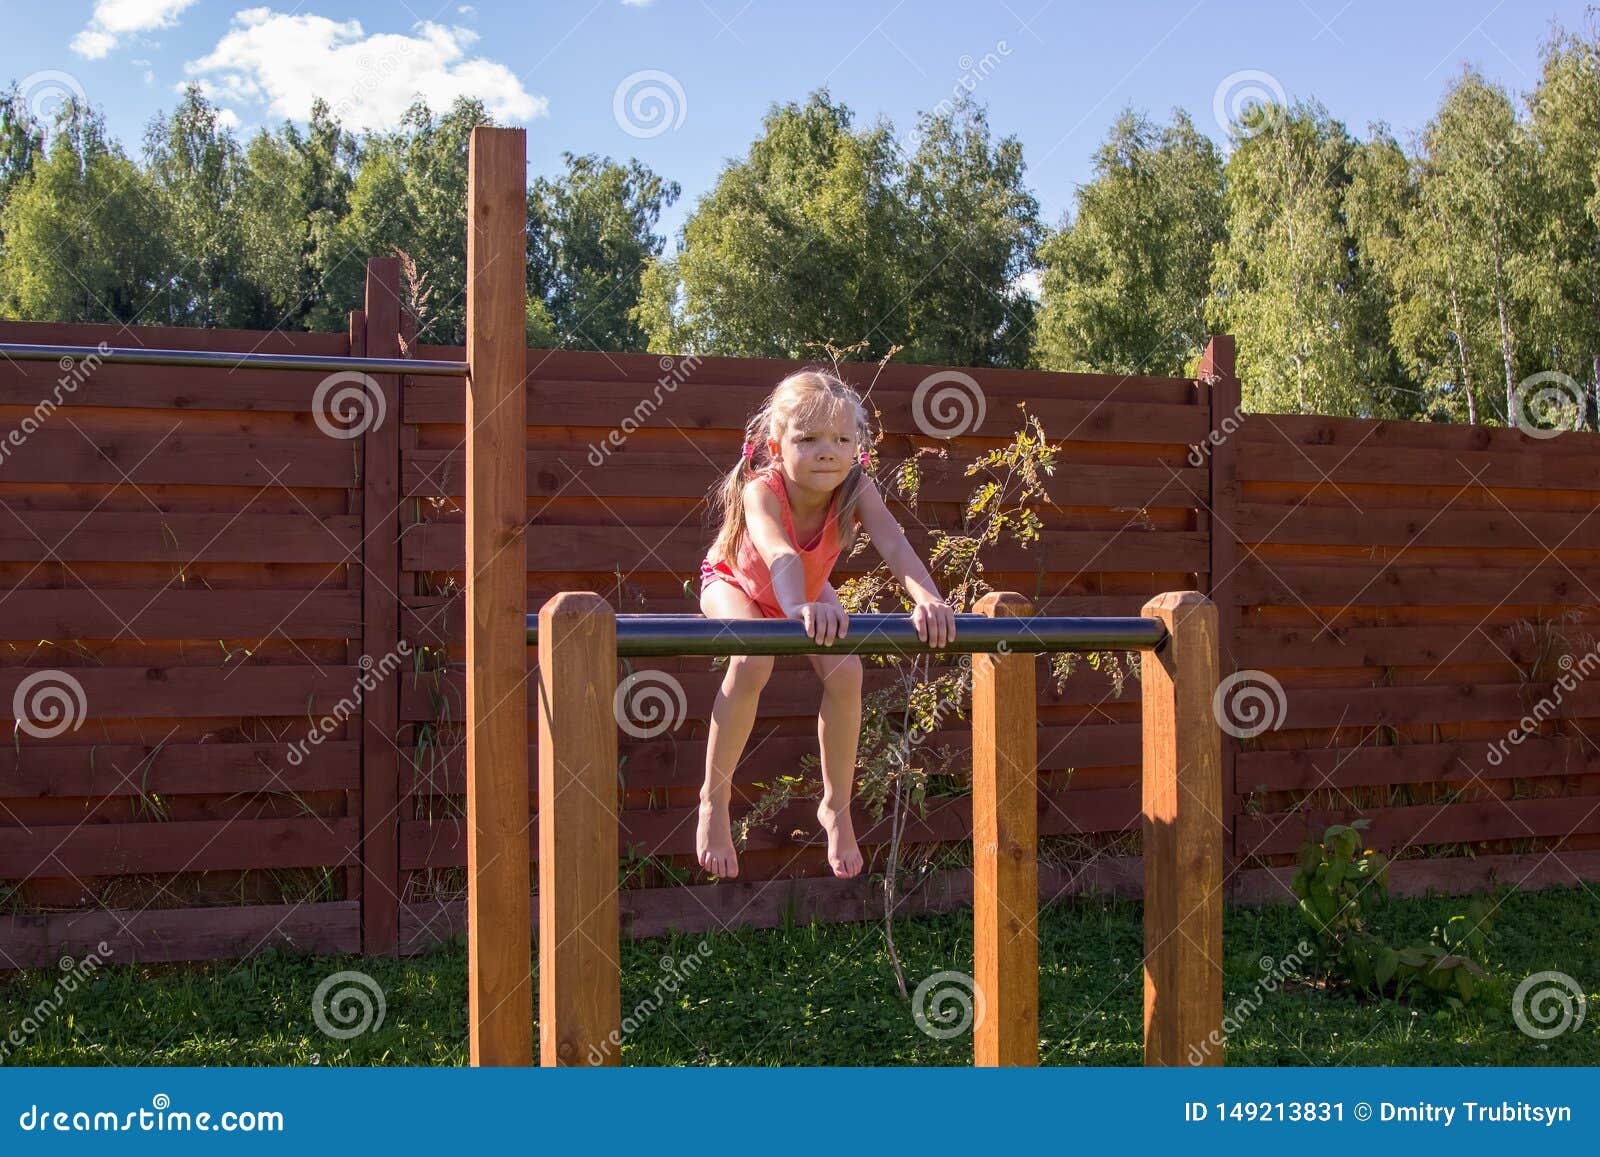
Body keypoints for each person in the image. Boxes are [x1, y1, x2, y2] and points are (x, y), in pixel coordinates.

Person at [696, 368, 957, 880]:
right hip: (737, 581)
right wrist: (795, 610)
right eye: (809, 438)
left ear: (857, 447)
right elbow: (778, 551)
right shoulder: (761, 490)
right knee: (753, 656)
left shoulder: (857, 487)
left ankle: (836, 807)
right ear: (776, 445)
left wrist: (928, 597)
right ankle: (714, 799)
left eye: (841, 439)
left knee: (847, 673)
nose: (826, 451)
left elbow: (895, 543)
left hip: (806, 592)